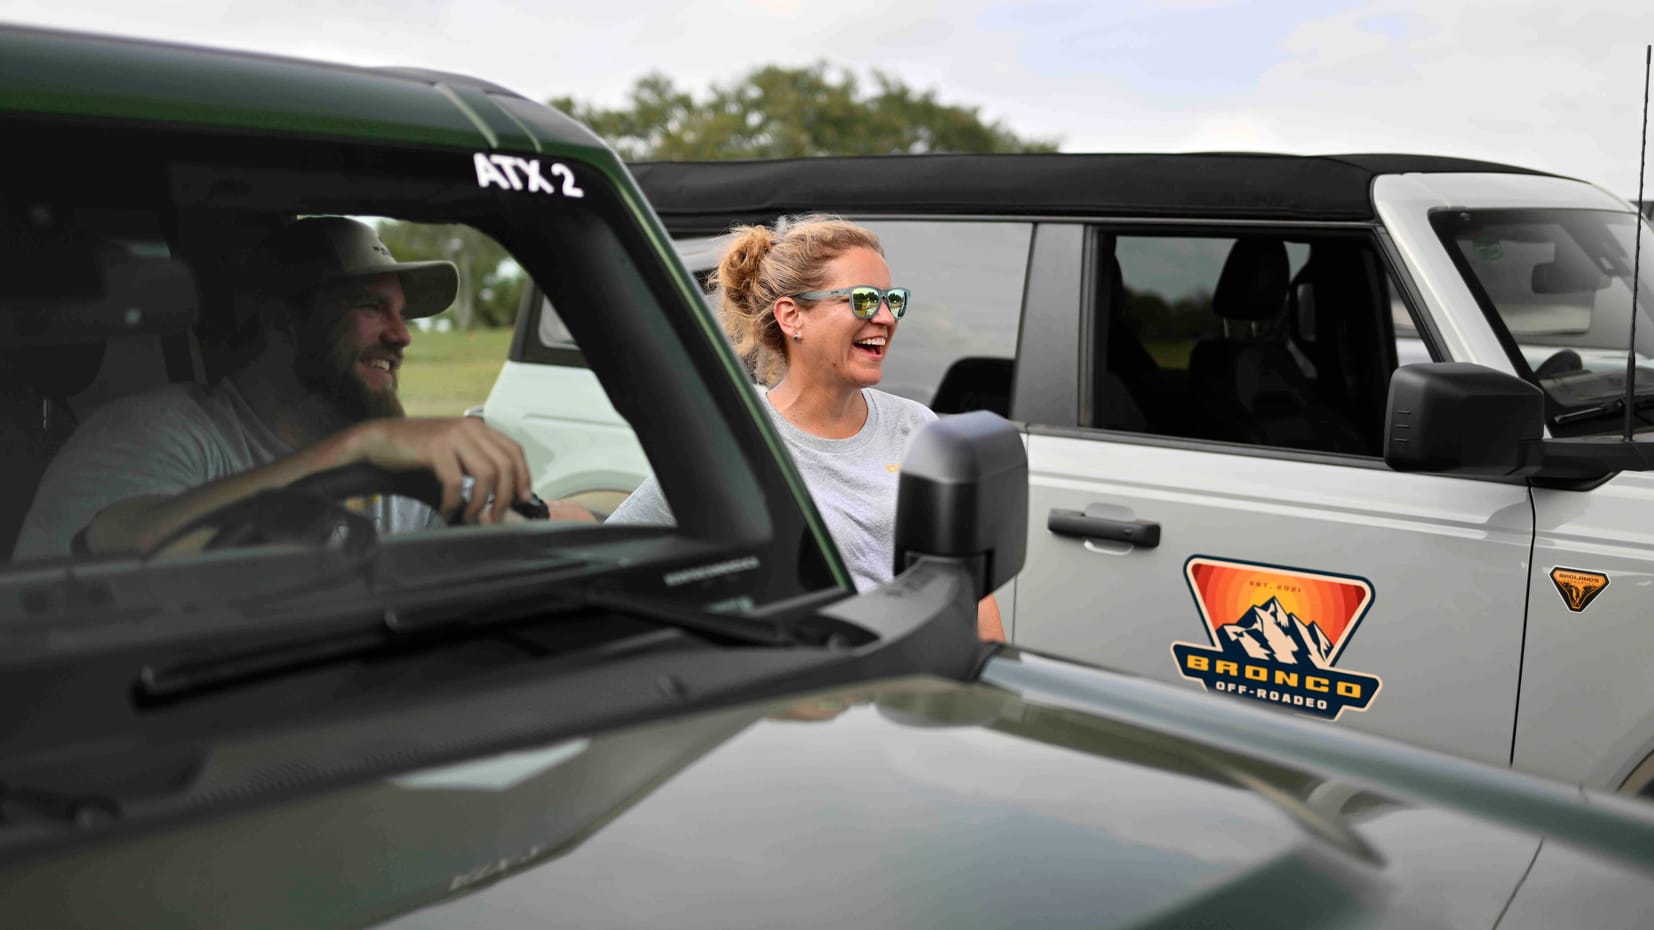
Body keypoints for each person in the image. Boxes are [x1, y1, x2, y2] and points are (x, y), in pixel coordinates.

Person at [13, 216, 571, 560]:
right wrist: (358, 452)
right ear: (282, 320)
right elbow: (124, 547)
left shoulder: (403, 469)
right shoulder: (153, 434)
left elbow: (522, 538)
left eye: (402, 314)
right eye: (370, 308)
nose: (401, 336)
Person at [607, 215, 1005, 641]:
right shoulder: (732, 439)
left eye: (893, 300)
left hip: (915, 681)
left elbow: (967, 584)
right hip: (813, 693)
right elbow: (616, 560)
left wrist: (995, 676)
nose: (887, 317)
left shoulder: (916, 426)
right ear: (792, 316)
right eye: (864, 300)